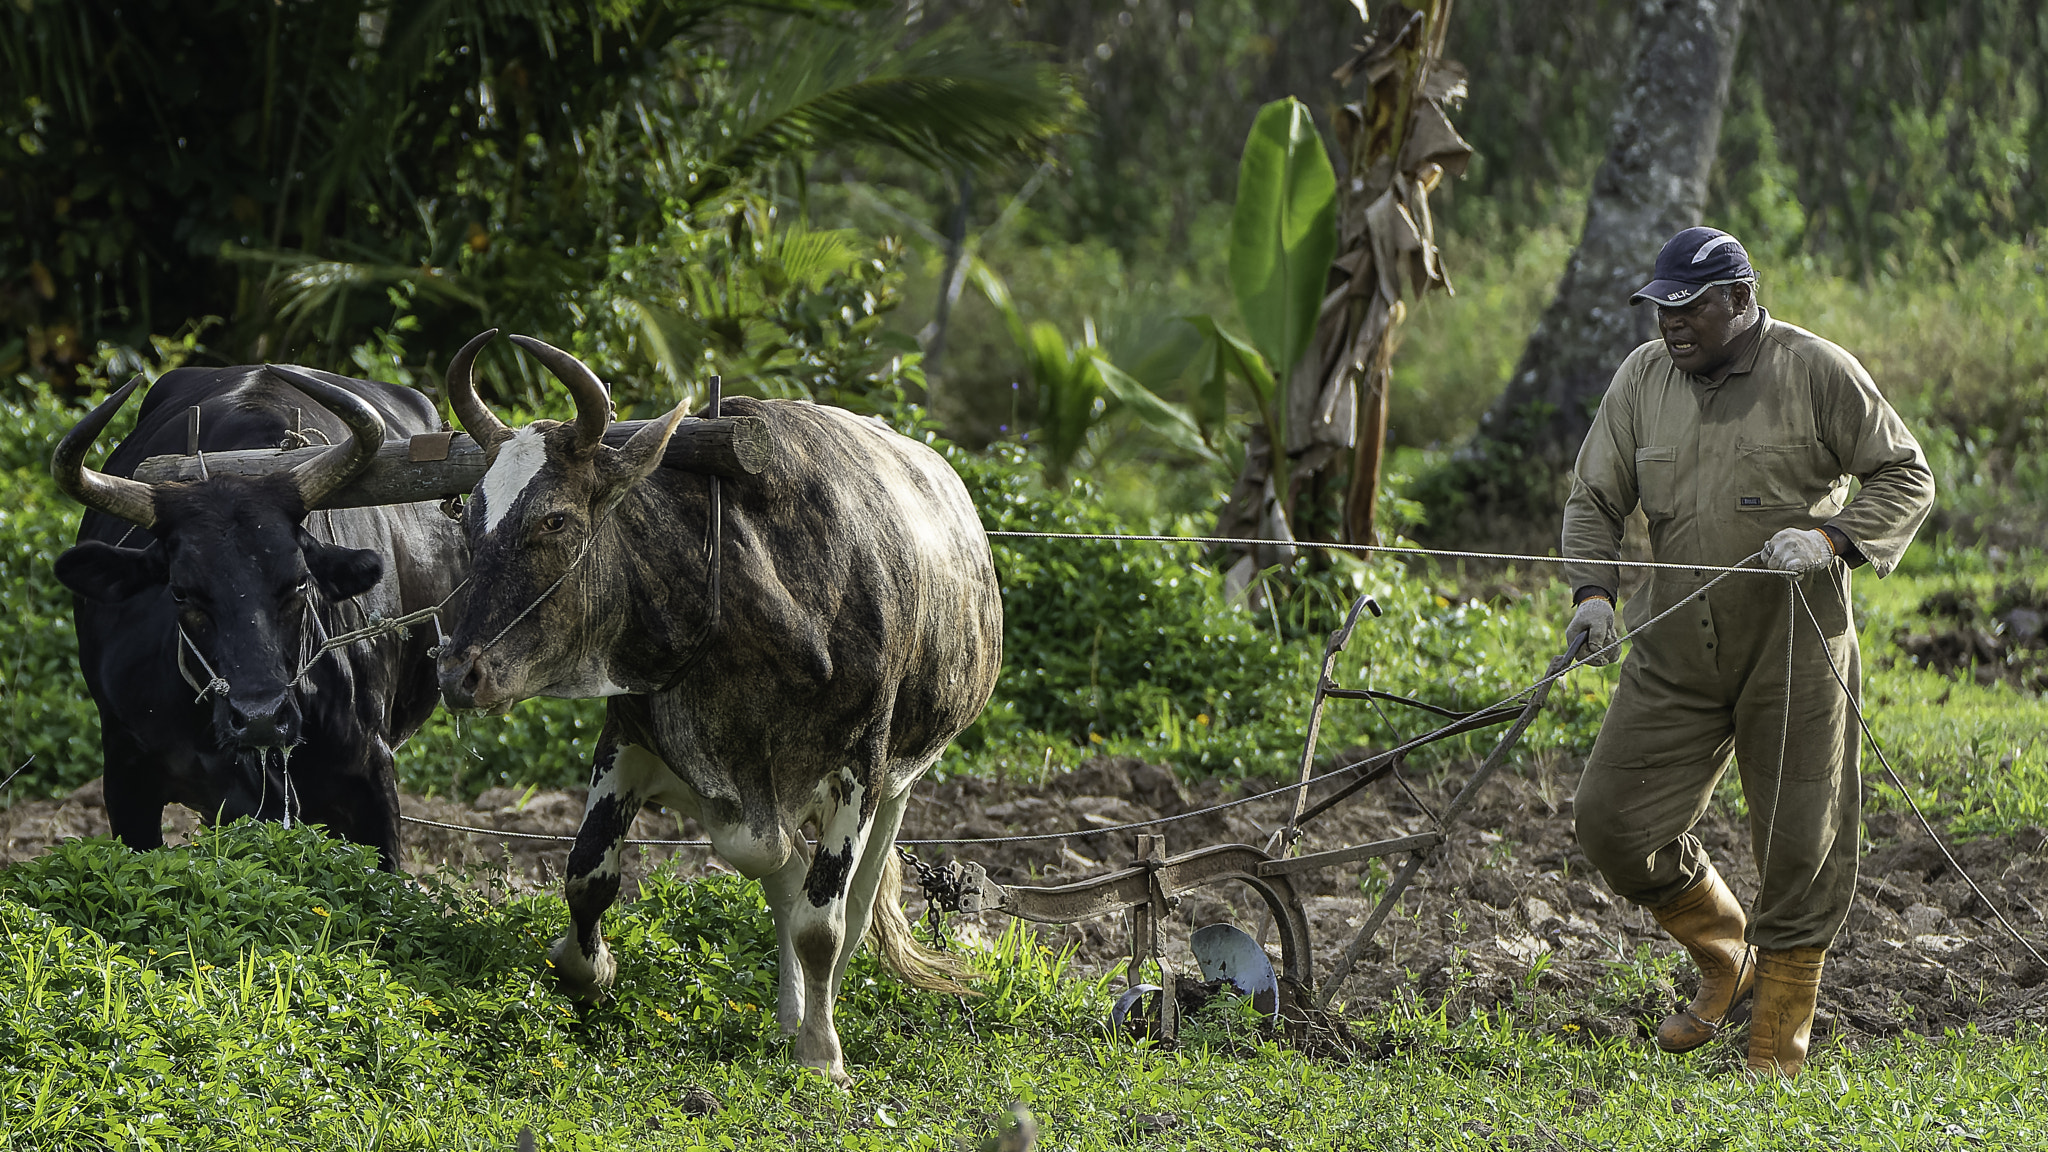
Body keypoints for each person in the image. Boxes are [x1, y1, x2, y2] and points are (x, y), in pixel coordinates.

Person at [1559, 226, 1935, 1077]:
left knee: (1801, 841)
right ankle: (1726, 959)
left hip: (1794, 645)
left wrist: (1834, 538)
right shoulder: (1641, 380)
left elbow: (1907, 474)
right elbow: (1595, 499)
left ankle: (1775, 1050)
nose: (1672, 324)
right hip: (1673, 650)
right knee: (1612, 820)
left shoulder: (1815, 370)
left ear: (1740, 297)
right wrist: (1592, 596)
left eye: (1690, 306)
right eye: (1661, 307)